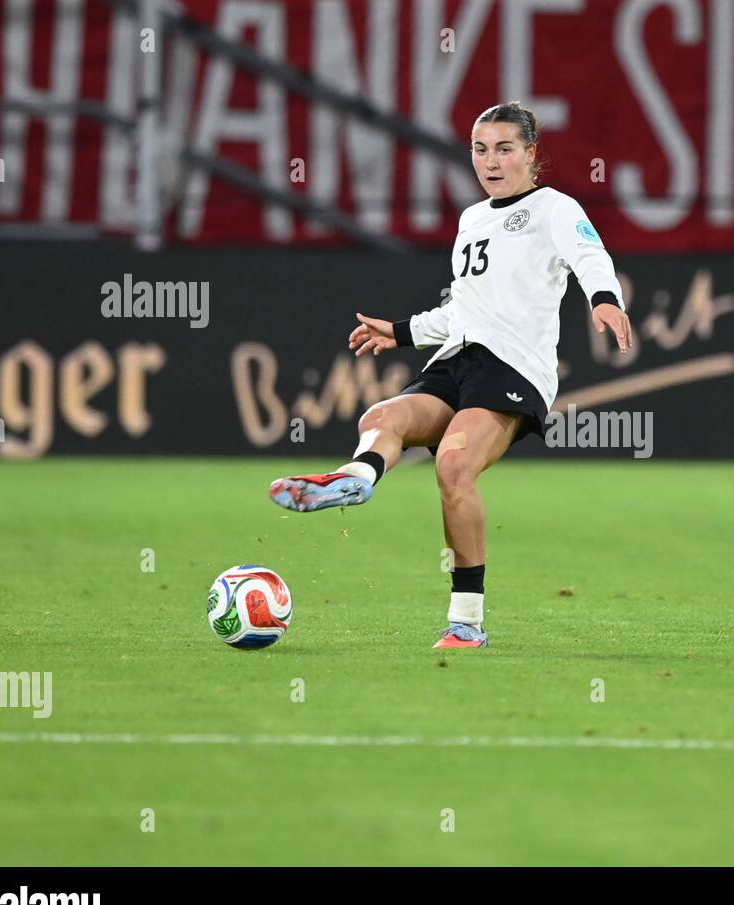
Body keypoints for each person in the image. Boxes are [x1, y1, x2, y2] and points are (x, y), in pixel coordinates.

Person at [269, 101, 633, 649]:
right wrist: (400, 330)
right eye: (480, 149)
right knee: (382, 416)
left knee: (454, 463)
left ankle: (467, 623)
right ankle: (357, 479)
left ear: (531, 154)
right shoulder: (472, 219)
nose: (491, 161)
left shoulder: (554, 207)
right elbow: (460, 310)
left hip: (514, 367)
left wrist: (604, 300)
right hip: (459, 357)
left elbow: (590, 255)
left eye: (505, 149)